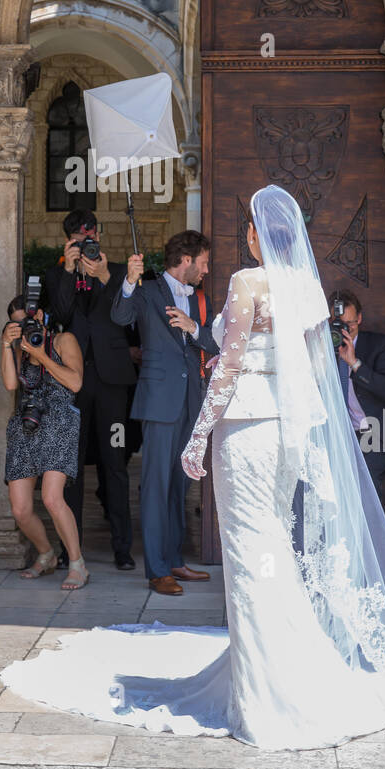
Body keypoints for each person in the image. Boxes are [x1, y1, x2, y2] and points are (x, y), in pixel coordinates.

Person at [1, 186, 385, 748]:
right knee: (271, 545)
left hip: (245, 430)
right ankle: (286, 671)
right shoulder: (306, 288)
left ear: (258, 234)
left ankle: (263, 697)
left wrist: (199, 435)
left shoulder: (247, 282)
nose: (244, 236)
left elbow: (228, 366)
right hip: (283, 433)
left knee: (252, 555)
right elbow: (308, 366)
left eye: (248, 227)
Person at [110, 230, 218, 595]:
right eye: (203, 262)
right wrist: (128, 279)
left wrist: (194, 327)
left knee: (179, 485)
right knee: (155, 487)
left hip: (191, 402)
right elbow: (121, 316)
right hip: (158, 401)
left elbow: (215, 343)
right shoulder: (147, 291)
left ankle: (174, 561)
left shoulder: (200, 299)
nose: (206, 269)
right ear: (186, 260)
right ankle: (157, 570)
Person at [42, 209, 137, 570]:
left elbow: (124, 314)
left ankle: (122, 548)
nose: (86, 245)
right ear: (68, 241)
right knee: (72, 465)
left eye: (89, 238)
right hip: (73, 381)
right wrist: (68, 271)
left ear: (97, 233)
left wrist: (105, 275)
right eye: (78, 241)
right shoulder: (56, 274)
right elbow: (63, 314)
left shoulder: (114, 274)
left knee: (115, 463)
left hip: (112, 382)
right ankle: (71, 547)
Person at [1, 294, 88, 590]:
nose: (25, 327)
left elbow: (75, 383)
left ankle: (77, 564)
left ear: (40, 317)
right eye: (17, 324)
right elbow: (11, 384)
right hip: (27, 421)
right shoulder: (19, 348)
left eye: (28, 320)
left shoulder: (64, 340)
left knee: (52, 498)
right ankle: (46, 554)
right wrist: (6, 345)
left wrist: (39, 355)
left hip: (60, 420)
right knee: (20, 509)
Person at [329, 289, 385, 502]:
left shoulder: (379, 345)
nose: (346, 329)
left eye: (350, 323)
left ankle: (369, 535)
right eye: (339, 324)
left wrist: (355, 364)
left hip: (374, 435)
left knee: (364, 487)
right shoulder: (324, 349)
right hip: (338, 435)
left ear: (360, 318)